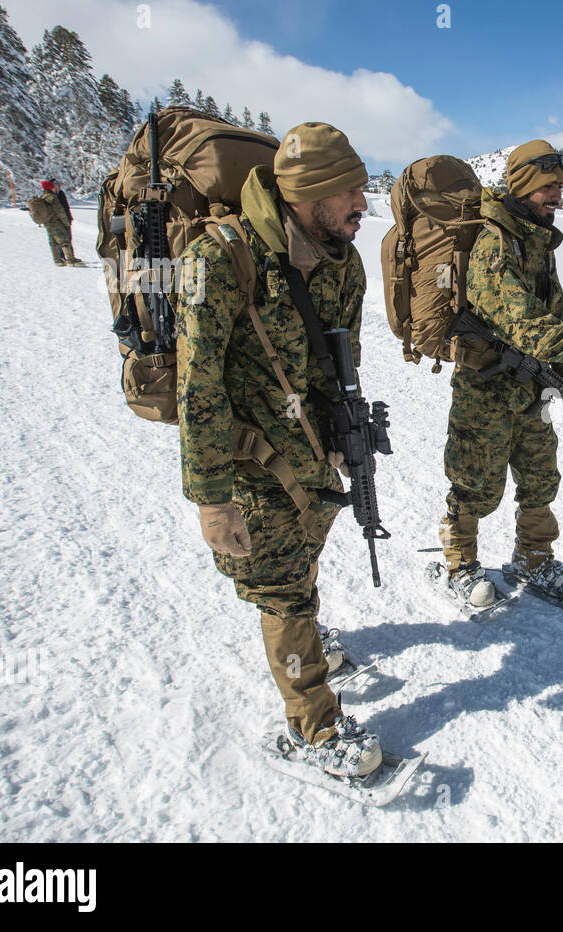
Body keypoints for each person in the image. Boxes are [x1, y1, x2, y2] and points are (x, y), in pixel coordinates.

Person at [175, 122, 381, 777]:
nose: (362, 206)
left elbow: (343, 356)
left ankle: (299, 632)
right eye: (350, 191)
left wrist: (349, 432)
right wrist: (211, 499)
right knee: (284, 591)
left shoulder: (344, 259)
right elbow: (196, 382)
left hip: (315, 452)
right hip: (249, 463)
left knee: (305, 562)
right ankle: (315, 728)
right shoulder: (218, 261)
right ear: (311, 192)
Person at [438, 139, 563, 608]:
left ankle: (534, 556)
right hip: (485, 385)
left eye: (560, 186)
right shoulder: (493, 244)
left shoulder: (538, 243)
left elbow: (552, 316)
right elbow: (524, 321)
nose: (558, 196)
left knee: (541, 474)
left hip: (532, 384)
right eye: (548, 187)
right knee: (475, 480)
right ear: (522, 185)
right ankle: (459, 563)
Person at [37, 178, 83, 266]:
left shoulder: (43, 196)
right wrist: (66, 222)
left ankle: (58, 260)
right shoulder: (52, 197)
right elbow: (60, 211)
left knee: (53, 242)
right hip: (57, 222)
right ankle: (70, 260)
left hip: (48, 222)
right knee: (64, 241)